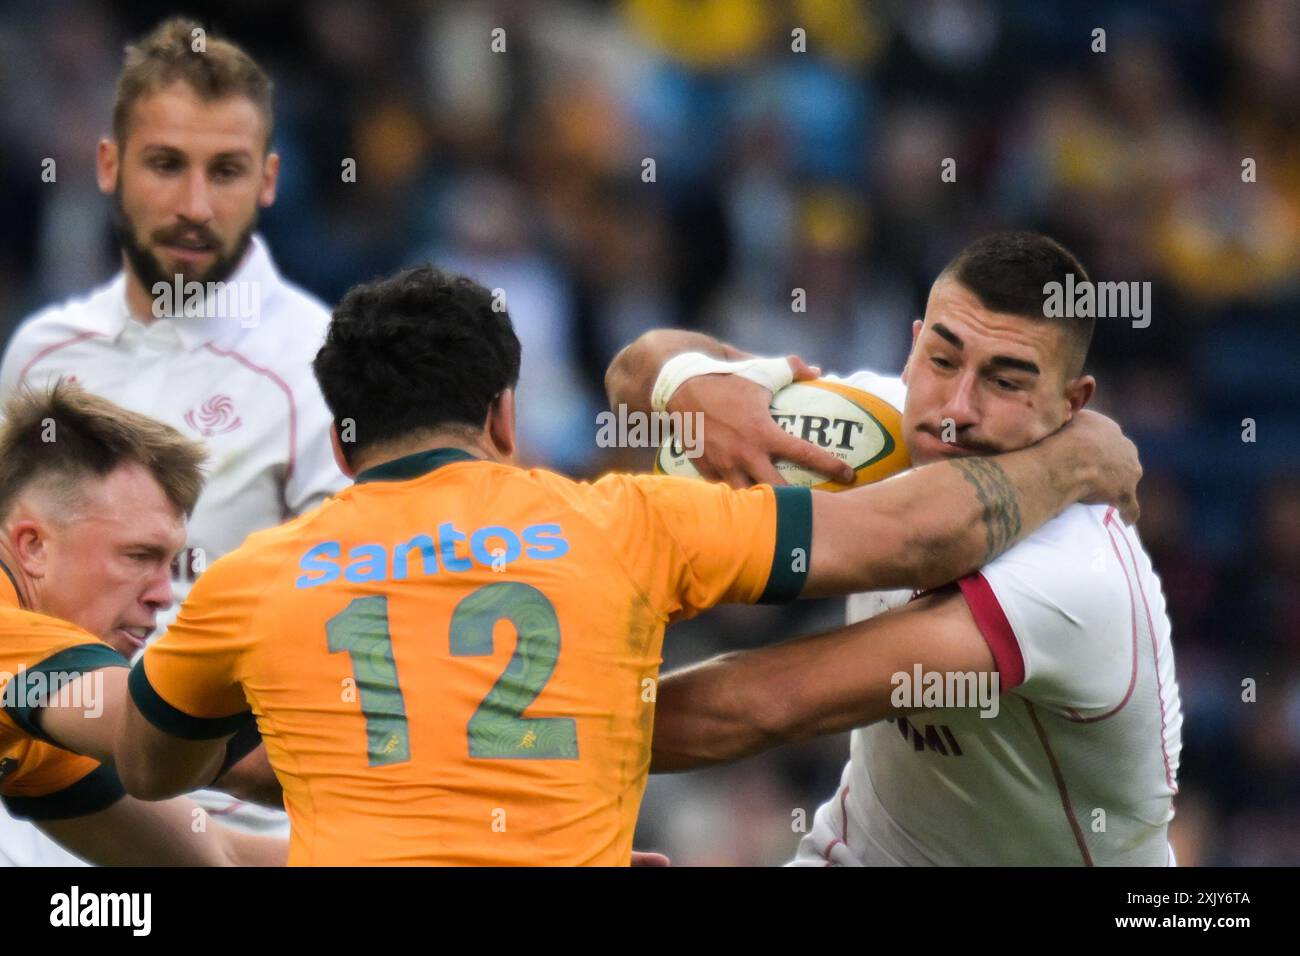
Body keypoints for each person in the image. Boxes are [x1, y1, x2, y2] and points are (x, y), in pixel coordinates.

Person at [111, 263, 1139, 865]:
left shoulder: (251, 580)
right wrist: (1076, 456)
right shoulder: (629, 520)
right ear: (505, 416)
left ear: (339, 445)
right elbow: (912, 535)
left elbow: (153, 763)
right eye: (947, 362)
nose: (958, 405)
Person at [618, 231, 1181, 865]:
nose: (956, 409)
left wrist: (541, 737)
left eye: (1005, 382)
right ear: (913, 350)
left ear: (1072, 405)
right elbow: (637, 365)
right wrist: (688, 383)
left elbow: (765, 704)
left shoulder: (1073, 574)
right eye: (943, 361)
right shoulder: (880, 422)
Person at [0, 16, 343, 864]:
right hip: (51, 798)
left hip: (240, 824)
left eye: (224, 171)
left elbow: (362, 627)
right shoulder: (42, 351)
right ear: (111, 167)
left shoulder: (325, 367)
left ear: (268, 181)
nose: (195, 205)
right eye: (166, 164)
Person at [0, 382, 284, 865]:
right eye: (138, 556)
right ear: (33, 546)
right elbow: (149, 740)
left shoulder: (34, 698)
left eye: (169, 563)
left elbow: (220, 856)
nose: (163, 594)